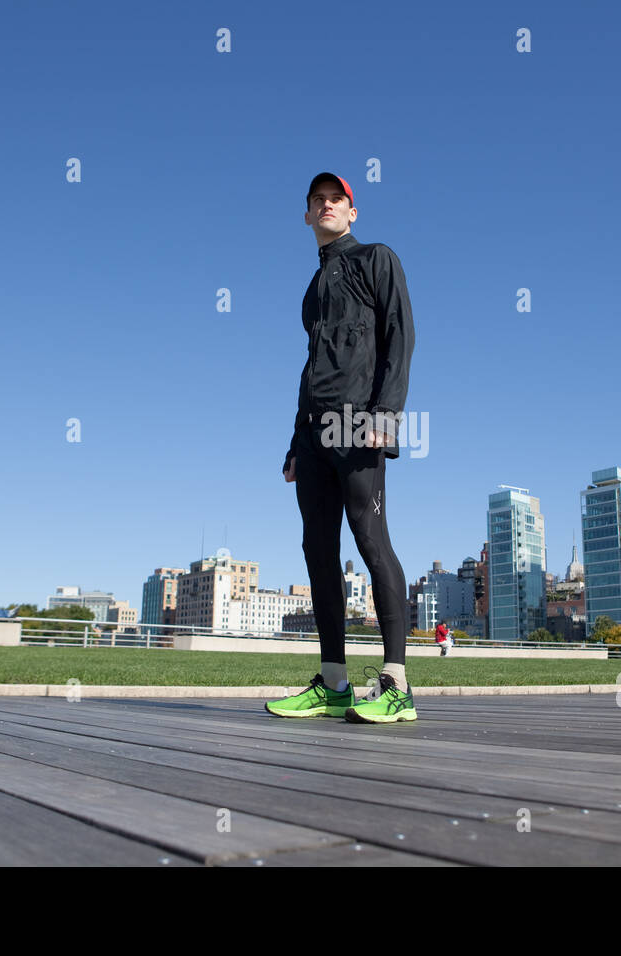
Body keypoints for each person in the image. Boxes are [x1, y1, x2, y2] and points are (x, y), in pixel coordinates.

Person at [266, 172, 416, 724]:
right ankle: (333, 684)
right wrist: (293, 442)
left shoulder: (377, 258)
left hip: (358, 424)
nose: (327, 206)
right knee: (317, 551)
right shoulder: (312, 289)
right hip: (312, 433)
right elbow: (312, 369)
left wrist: (386, 413)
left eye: (337, 200)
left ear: (352, 212)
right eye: (317, 201)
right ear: (307, 216)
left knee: (371, 539)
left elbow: (401, 334)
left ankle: (395, 685)